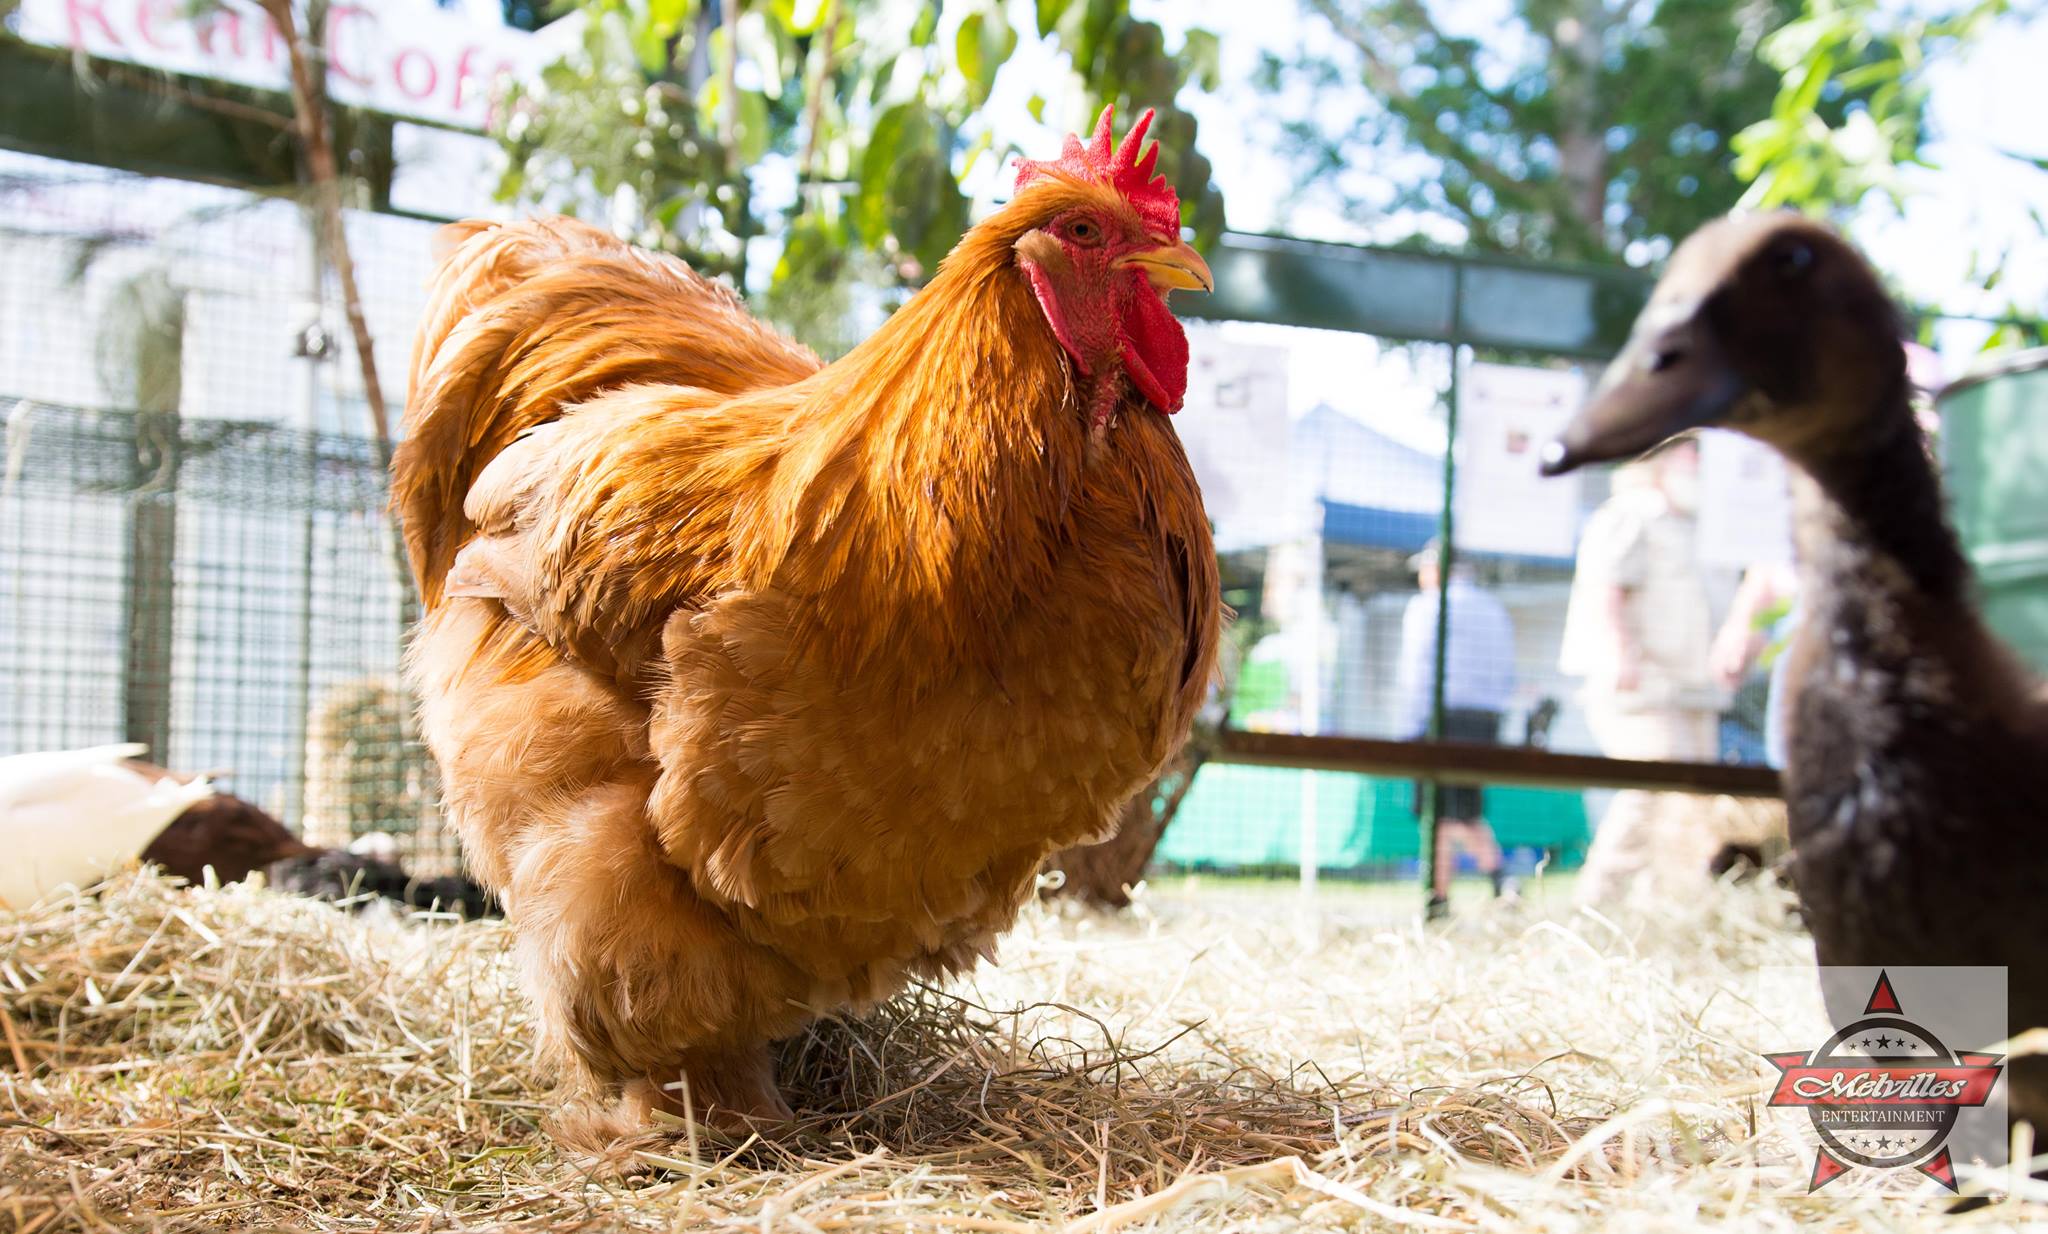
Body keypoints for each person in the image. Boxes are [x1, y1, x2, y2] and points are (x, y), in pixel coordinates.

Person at [1558, 436, 1725, 907]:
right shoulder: (1629, 513)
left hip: (1695, 687)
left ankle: (1664, 911)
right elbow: (1607, 588)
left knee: (1693, 805)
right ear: (1658, 459)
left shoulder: (1703, 524)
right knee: (1650, 789)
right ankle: (1596, 905)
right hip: (1639, 686)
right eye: (1688, 451)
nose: (1698, 462)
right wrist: (1622, 653)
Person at [1394, 538, 1517, 920]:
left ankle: (1439, 899)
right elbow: (1505, 672)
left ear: (1437, 569)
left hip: (1438, 718)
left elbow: (1416, 672)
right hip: (1483, 720)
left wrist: (1408, 727)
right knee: (1463, 811)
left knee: (1438, 812)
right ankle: (1500, 882)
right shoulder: (1493, 609)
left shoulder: (1425, 607)